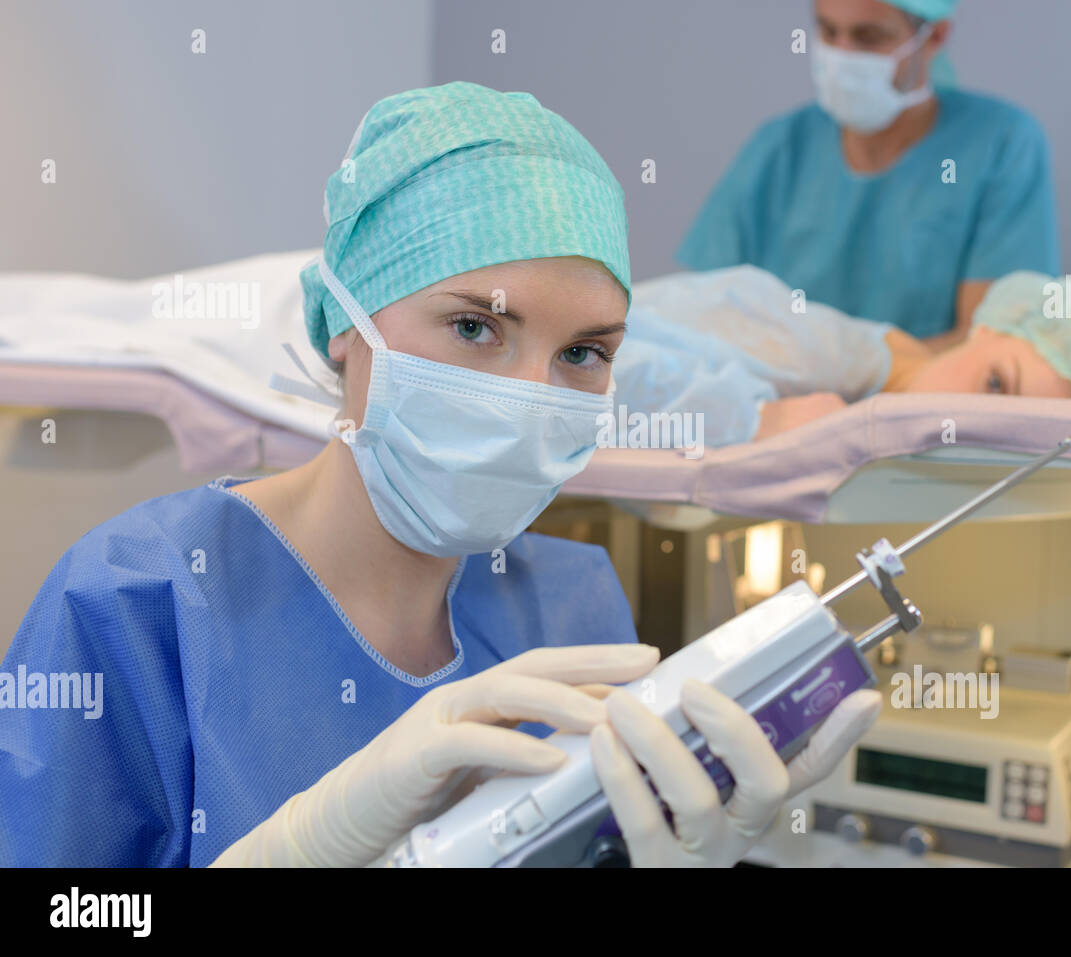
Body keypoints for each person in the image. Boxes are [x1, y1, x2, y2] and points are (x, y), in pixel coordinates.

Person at [0, 83, 881, 867]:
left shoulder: (574, 606)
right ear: (344, 324)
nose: (531, 399)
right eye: (474, 328)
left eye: (583, 352)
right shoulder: (135, 603)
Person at [676, 0, 1061, 349]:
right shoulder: (779, 148)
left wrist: (861, 377)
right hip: (782, 402)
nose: (842, 54)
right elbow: (708, 319)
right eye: (829, 31)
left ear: (935, 36)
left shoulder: (1000, 144)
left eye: (869, 36)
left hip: (931, 404)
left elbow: (991, 343)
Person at [610, 267, 1071, 444]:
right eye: (996, 384)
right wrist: (757, 421)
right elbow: (591, 362)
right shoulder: (815, 350)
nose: (970, 421)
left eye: (1010, 431)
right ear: (986, 327)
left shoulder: (869, 390)